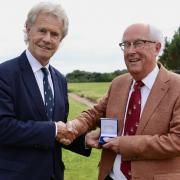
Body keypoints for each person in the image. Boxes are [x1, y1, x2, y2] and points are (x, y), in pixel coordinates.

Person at [60, 23, 180, 180]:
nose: (130, 51)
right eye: (126, 45)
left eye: (138, 43)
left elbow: (176, 141)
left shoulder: (176, 86)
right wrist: (75, 126)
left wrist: (125, 145)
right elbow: (95, 113)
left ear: (157, 48)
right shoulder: (118, 83)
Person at [0, 2, 91, 180]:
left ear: (61, 39)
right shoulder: (4, 74)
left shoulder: (60, 79)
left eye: (55, 34)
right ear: (28, 29)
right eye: (42, 30)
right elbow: (3, 127)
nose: (47, 39)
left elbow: (60, 128)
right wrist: (54, 130)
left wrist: (85, 141)